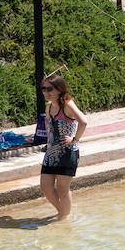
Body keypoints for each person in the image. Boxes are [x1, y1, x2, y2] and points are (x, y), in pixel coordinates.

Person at [39, 75, 88, 220]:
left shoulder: (67, 104)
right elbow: (48, 122)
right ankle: (63, 213)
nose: (46, 92)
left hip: (68, 152)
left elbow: (83, 122)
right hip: (51, 152)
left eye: (49, 89)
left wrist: (75, 139)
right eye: (43, 89)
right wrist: (50, 138)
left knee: (62, 189)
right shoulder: (49, 106)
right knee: (45, 187)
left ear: (59, 89)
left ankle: (63, 218)